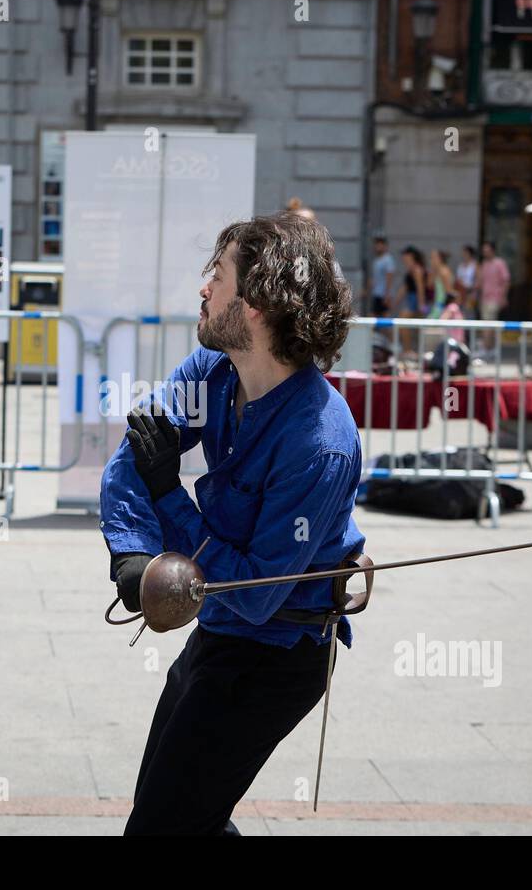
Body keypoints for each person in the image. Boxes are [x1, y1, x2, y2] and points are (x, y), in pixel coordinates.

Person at [101, 212, 364, 836]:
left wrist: (170, 496)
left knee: (165, 826)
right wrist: (131, 556)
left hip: (276, 656)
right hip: (218, 635)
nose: (202, 290)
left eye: (215, 277)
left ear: (255, 305)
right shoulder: (211, 374)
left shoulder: (318, 441)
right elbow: (135, 457)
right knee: (177, 819)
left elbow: (255, 593)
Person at [478, 240, 510, 352]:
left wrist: (503, 297)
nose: (485, 252)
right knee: (487, 323)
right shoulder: (484, 264)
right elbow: (481, 281)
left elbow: (506, 280)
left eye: (487, 250)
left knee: (489, 323)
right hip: (484, 299)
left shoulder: (499, 263)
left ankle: (487, 348)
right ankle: (490, 347)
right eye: (484, 251)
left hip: (495, 298)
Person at [369, 236, 396, 317]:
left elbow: (389, 277)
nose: (378, 247)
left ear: (385, 246)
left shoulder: (388, 259)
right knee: (376, 318)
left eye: (380, 245)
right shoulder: (376, 260)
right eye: (376, 245)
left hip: (383, 295)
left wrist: (387, 295)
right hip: (376, 293)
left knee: (383, 319)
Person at [397, 246, 427, 317]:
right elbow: (405, 287)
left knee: (403, 317)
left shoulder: (417, 270)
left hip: (416, 300)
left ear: (411, 256)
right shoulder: (410, 270)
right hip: (411, 299)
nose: (403, 259)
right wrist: (396, 301)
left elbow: (420, 288)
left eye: (405, 256)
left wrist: (421, 304)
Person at [426, 249, 454, 320]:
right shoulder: (436, 271)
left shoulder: (444, 272)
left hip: (442, 306)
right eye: (430, 258)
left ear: (440, 259)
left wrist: (446, 309)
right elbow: (429, 285)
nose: (431, 260)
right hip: (437, 305)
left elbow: (449, 292)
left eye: (433, 258)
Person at [456, 244, 478, 317]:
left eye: (465, 253)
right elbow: (458, 279)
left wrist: (471, 289)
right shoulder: (461, 265)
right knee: (461, 312)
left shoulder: (475, 265)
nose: (463, 255)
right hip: (461, 293)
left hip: (470, 293)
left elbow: (478, 280)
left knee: (469, 313)